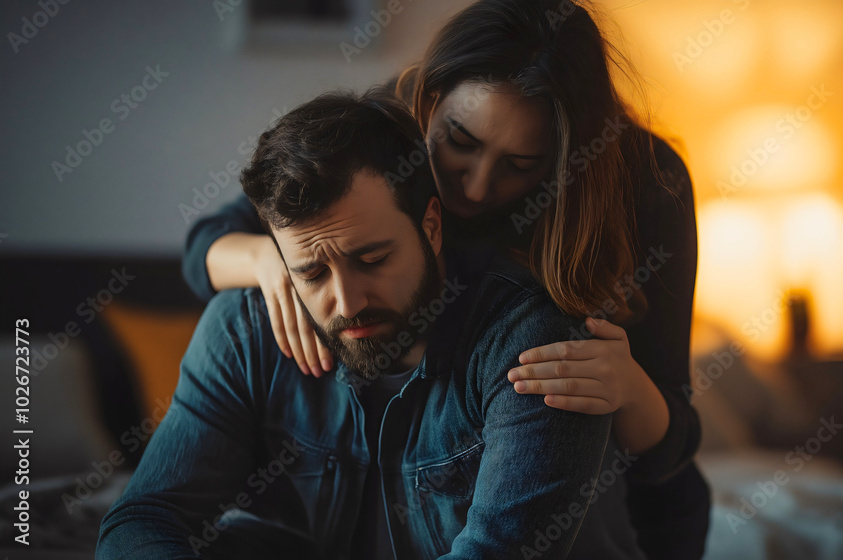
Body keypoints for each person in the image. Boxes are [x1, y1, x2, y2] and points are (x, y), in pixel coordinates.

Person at [183, 0, 709, 557]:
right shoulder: (389, 126)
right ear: (429, 101)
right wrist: (271, 261)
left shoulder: (649, 182)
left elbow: (673, 445)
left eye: (521, 164)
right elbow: (204, 250)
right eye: (461, 142)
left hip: (634, 517)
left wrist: (628, 386)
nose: (478, 188)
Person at [98, 89, 646, 559]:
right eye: (311, 272)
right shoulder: (243, 329)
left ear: (431, 225)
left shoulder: (531, 345)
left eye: (373, 259)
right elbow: (143, 518)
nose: (347, 301)